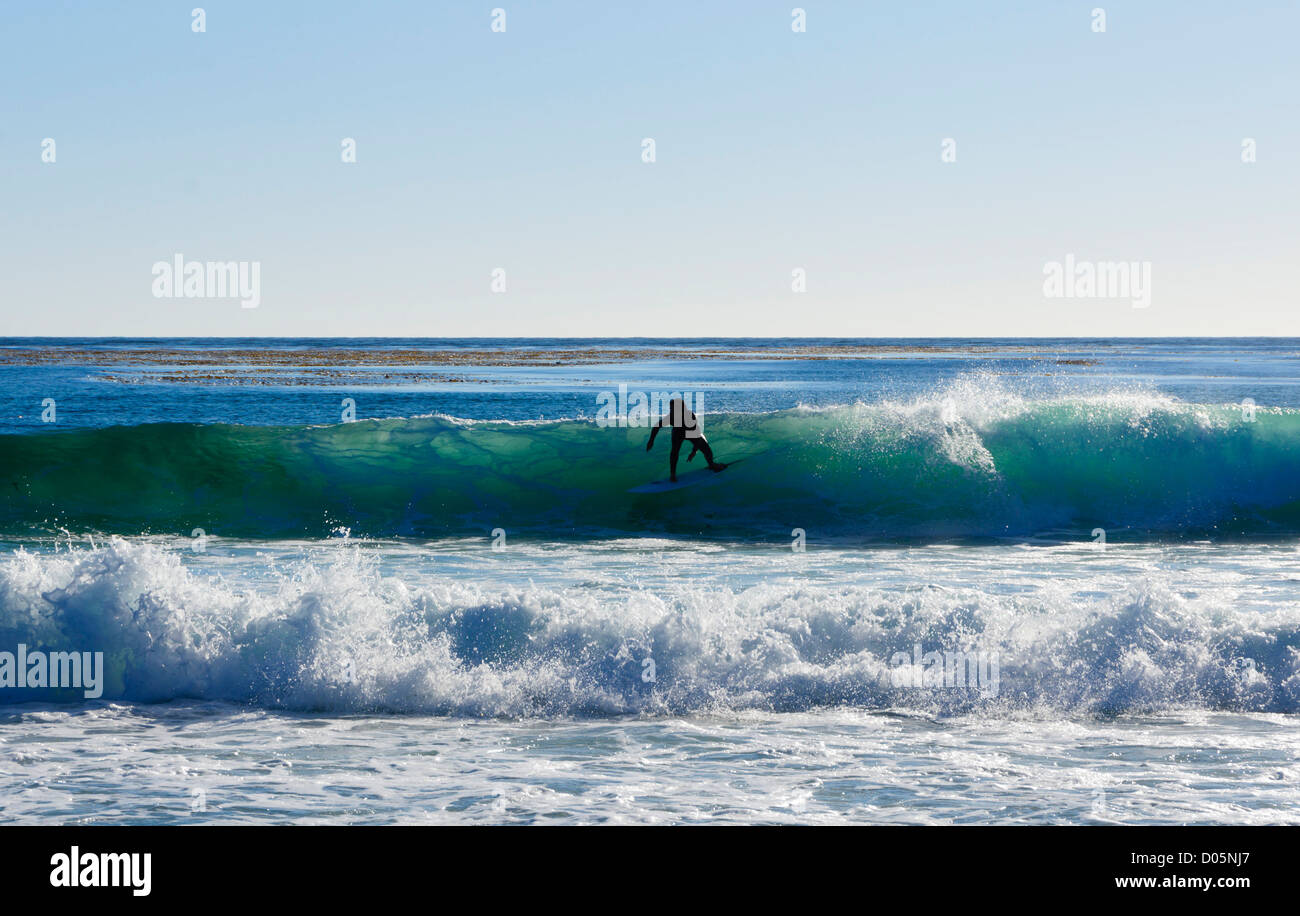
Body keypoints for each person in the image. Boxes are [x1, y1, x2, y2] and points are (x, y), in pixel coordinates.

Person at [646, 397, 725, 482]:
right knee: (674, 452)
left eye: (673, 409)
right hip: (678, 433)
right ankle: (673, 474)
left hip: (691, 433)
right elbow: (657, 426)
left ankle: (711, 464)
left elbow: (697, 435)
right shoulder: (671, 417)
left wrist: (694, 451)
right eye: (670, 409)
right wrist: (651, 440)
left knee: (707, 450)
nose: (671, 411)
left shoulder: (690, 417)